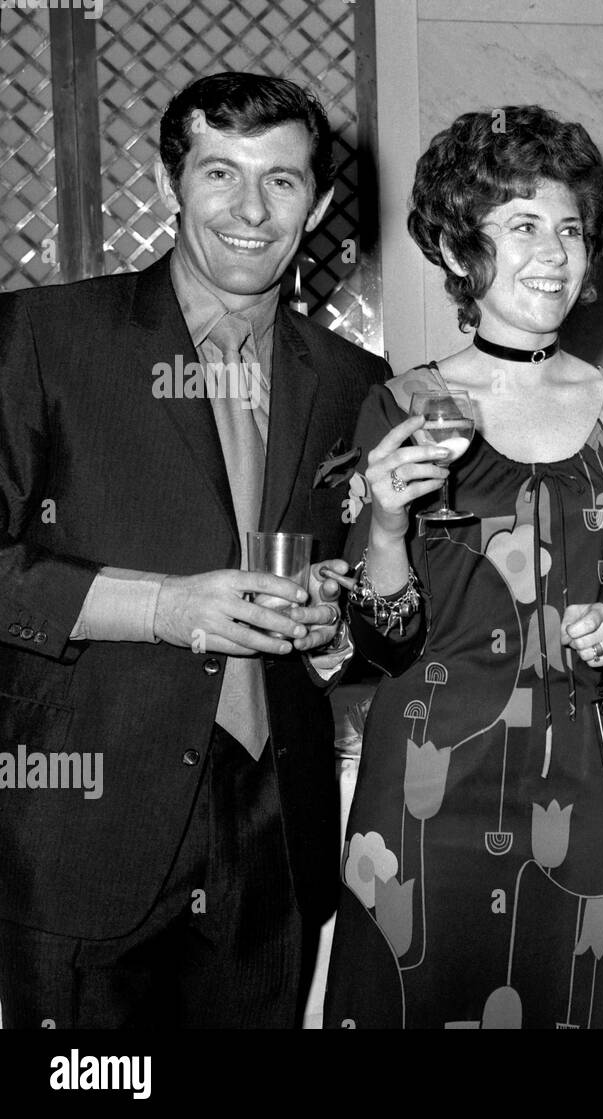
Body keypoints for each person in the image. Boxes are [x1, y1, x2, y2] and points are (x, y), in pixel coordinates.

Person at [0, 72, 388, 1028]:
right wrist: (168, 607)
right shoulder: (45, 336)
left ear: (321, 202)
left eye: (283, 181)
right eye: (221, 173)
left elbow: (359, 598)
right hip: (86, 824)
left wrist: (333, 614)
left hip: (275, 831)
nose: (251, 210)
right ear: (172, 181)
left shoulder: (353, 379)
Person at [323, 105, 603, 1029]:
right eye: (523, 225)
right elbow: (379, 638)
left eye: (570, 228)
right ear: (455, 247)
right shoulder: (403, 405)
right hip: (427, 792)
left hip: (589, 786)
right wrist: (389, 528)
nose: (556, 253)